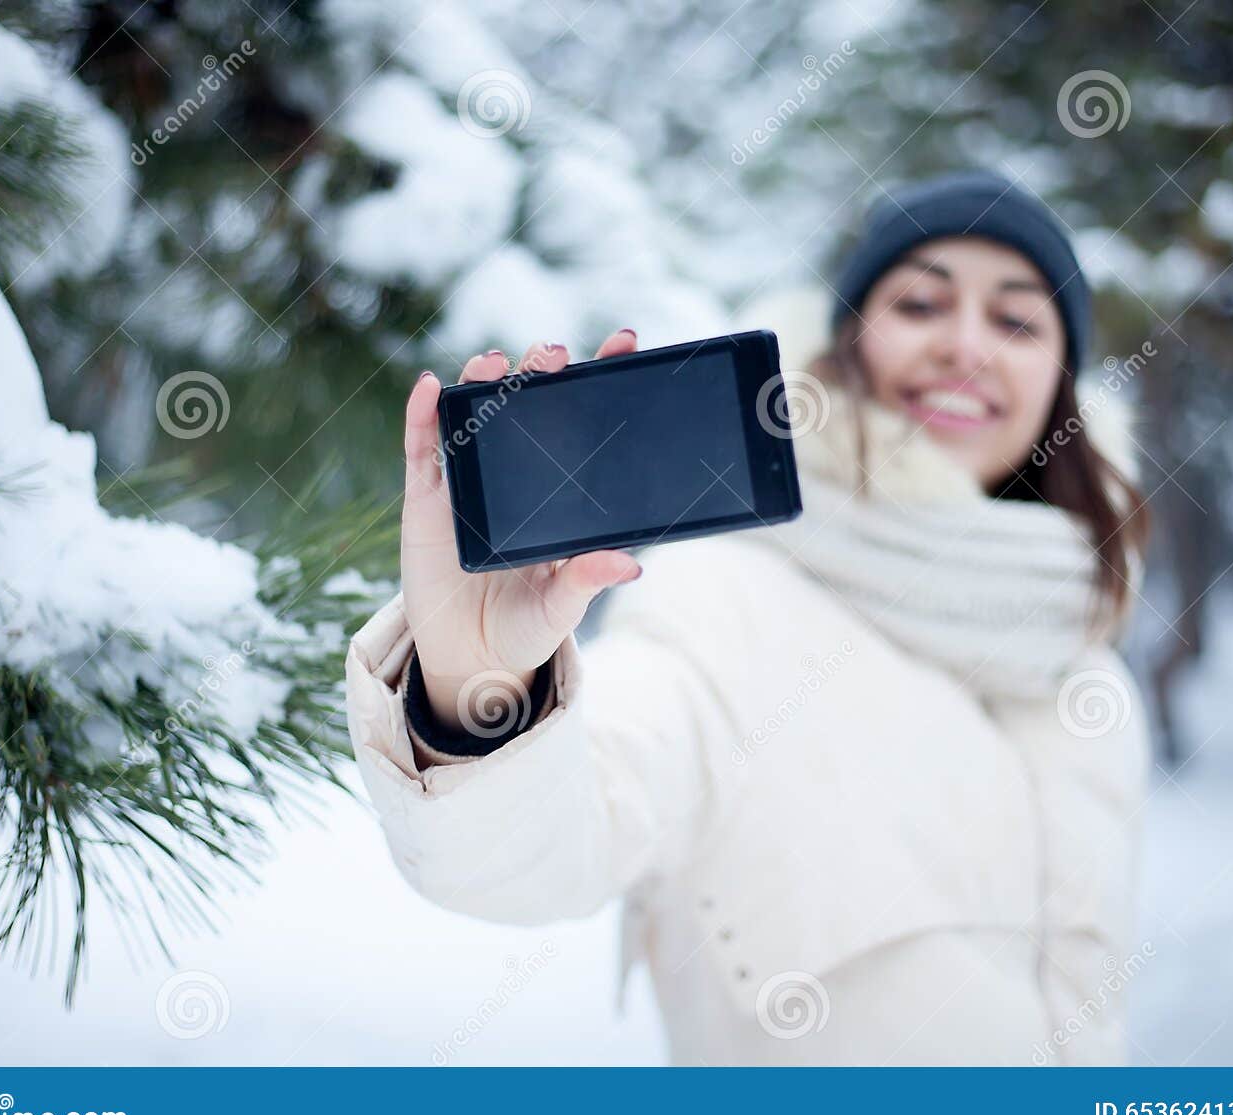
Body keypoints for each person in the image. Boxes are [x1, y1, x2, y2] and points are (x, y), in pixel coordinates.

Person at [346, 171, 1153, 1065]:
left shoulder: (1082, 672)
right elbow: (543, 847)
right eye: (921, 303)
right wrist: (478, 690)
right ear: (840, 344)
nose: (966, 345)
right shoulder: (725, 596)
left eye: (1016, 319)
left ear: (1062, 383)